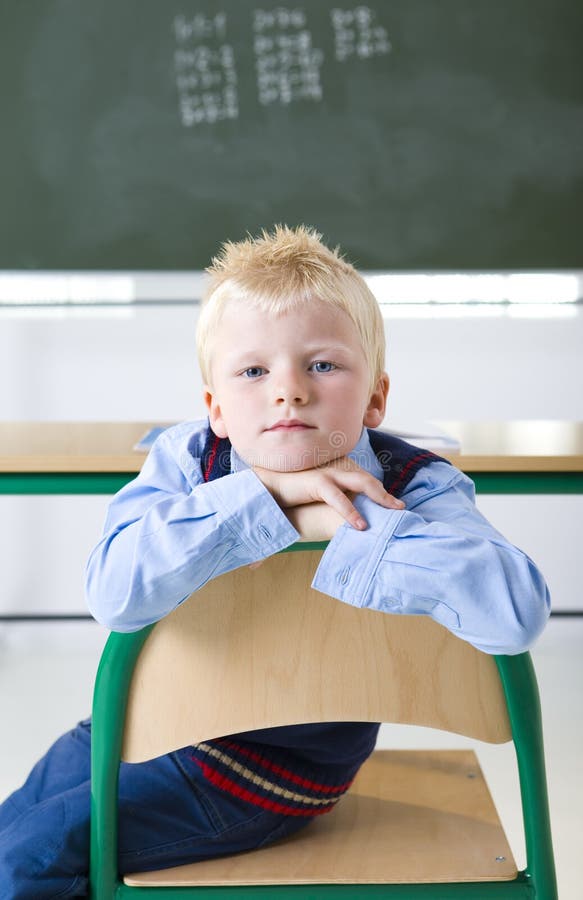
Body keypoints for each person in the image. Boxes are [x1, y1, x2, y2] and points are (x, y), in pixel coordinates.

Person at [0, 225, 550, 897]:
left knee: (27, 859)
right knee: (10, 830)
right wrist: (262, 497)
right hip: (146, 720)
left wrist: (343, 523)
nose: (288, 391)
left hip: (265, 769)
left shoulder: (416, 485)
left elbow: (514, 614)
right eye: (254, 371)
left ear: (375, 398)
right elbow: (115, 591)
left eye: (321, 364)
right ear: (217, 409)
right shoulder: (185, 457)